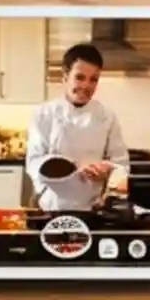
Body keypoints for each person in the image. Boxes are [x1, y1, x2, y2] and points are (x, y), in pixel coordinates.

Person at [26, 43, 130, 211]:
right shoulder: (43, 114)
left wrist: (108, 171)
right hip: (53, 208)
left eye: (93, 79)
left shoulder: (107, 116)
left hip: (94, 209)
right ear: (65, 76)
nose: (86, 86)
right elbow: (34, 162)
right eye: (80, 78)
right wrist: (68, 167)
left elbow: (121, 165)